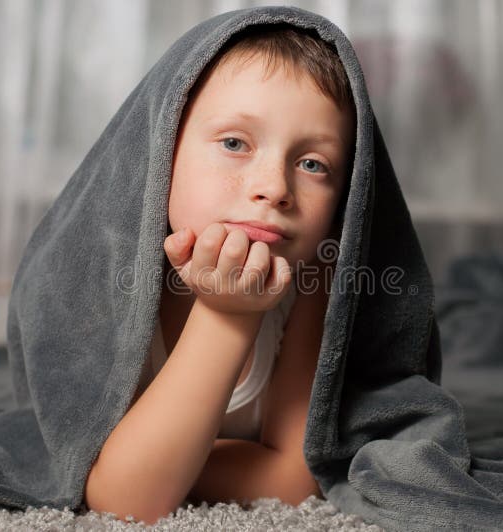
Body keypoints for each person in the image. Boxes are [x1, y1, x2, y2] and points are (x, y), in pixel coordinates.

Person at [84, 22, 357, 524]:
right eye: (235, 143)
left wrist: (132, 465)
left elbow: (295, 480)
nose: (274, 187)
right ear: (160, 151)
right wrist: (225, 313)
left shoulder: (319, 281)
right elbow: (125, 502)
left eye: (314, 164)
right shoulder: (105, 279)